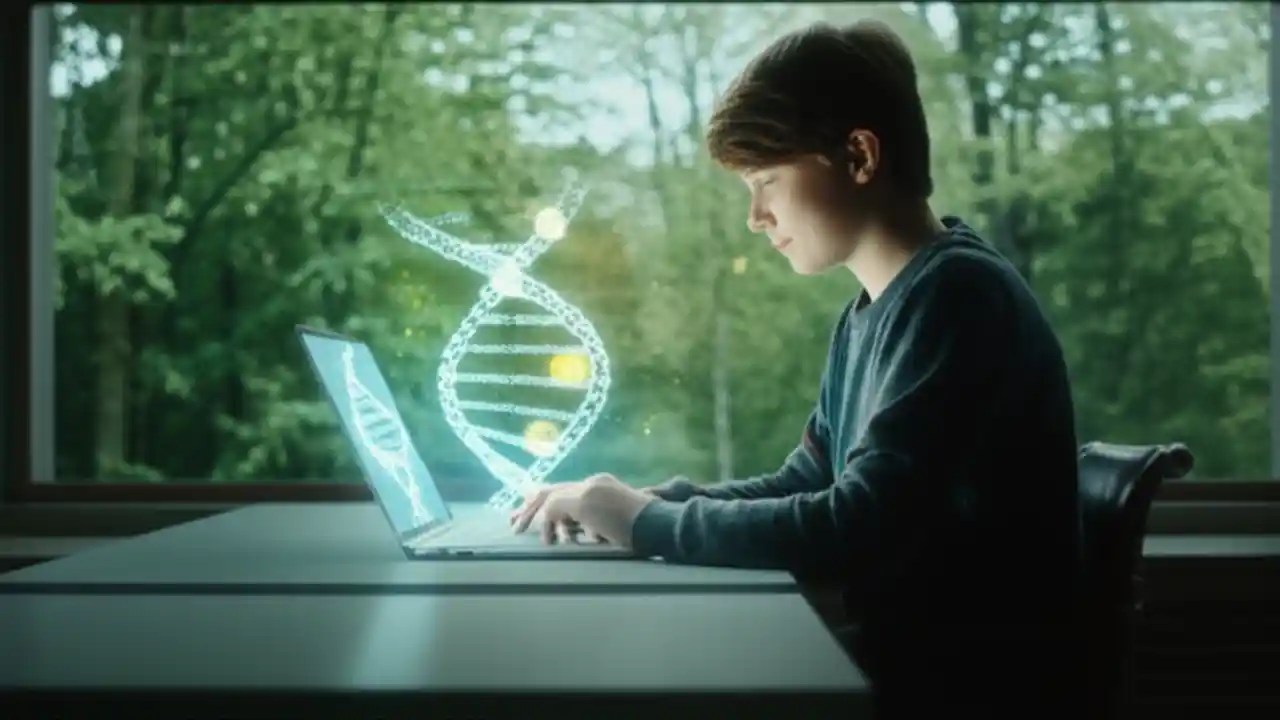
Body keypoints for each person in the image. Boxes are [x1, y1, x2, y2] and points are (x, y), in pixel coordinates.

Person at [511, 19, 1085, 716]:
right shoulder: (874, 310)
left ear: (859, 156)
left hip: (965, 692)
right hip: (906, 670)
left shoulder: (959, 297)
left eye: (767, 180)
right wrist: (649, 503)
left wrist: (645, 524)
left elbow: (853, 525)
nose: (755, 215)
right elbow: (808, 479)